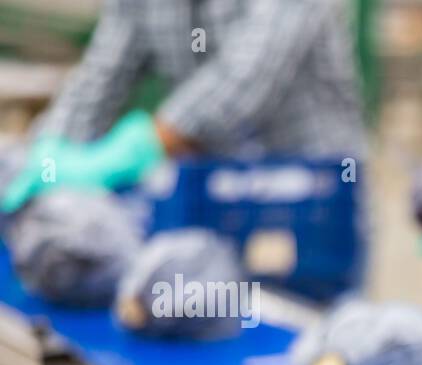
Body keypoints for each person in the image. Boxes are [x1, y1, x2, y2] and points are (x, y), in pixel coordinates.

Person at [2, 0, 366, 211]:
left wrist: (140, 145)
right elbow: (101, 75)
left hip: (312, 195)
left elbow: (247, 74)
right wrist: (50, 152)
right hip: (215, 195)